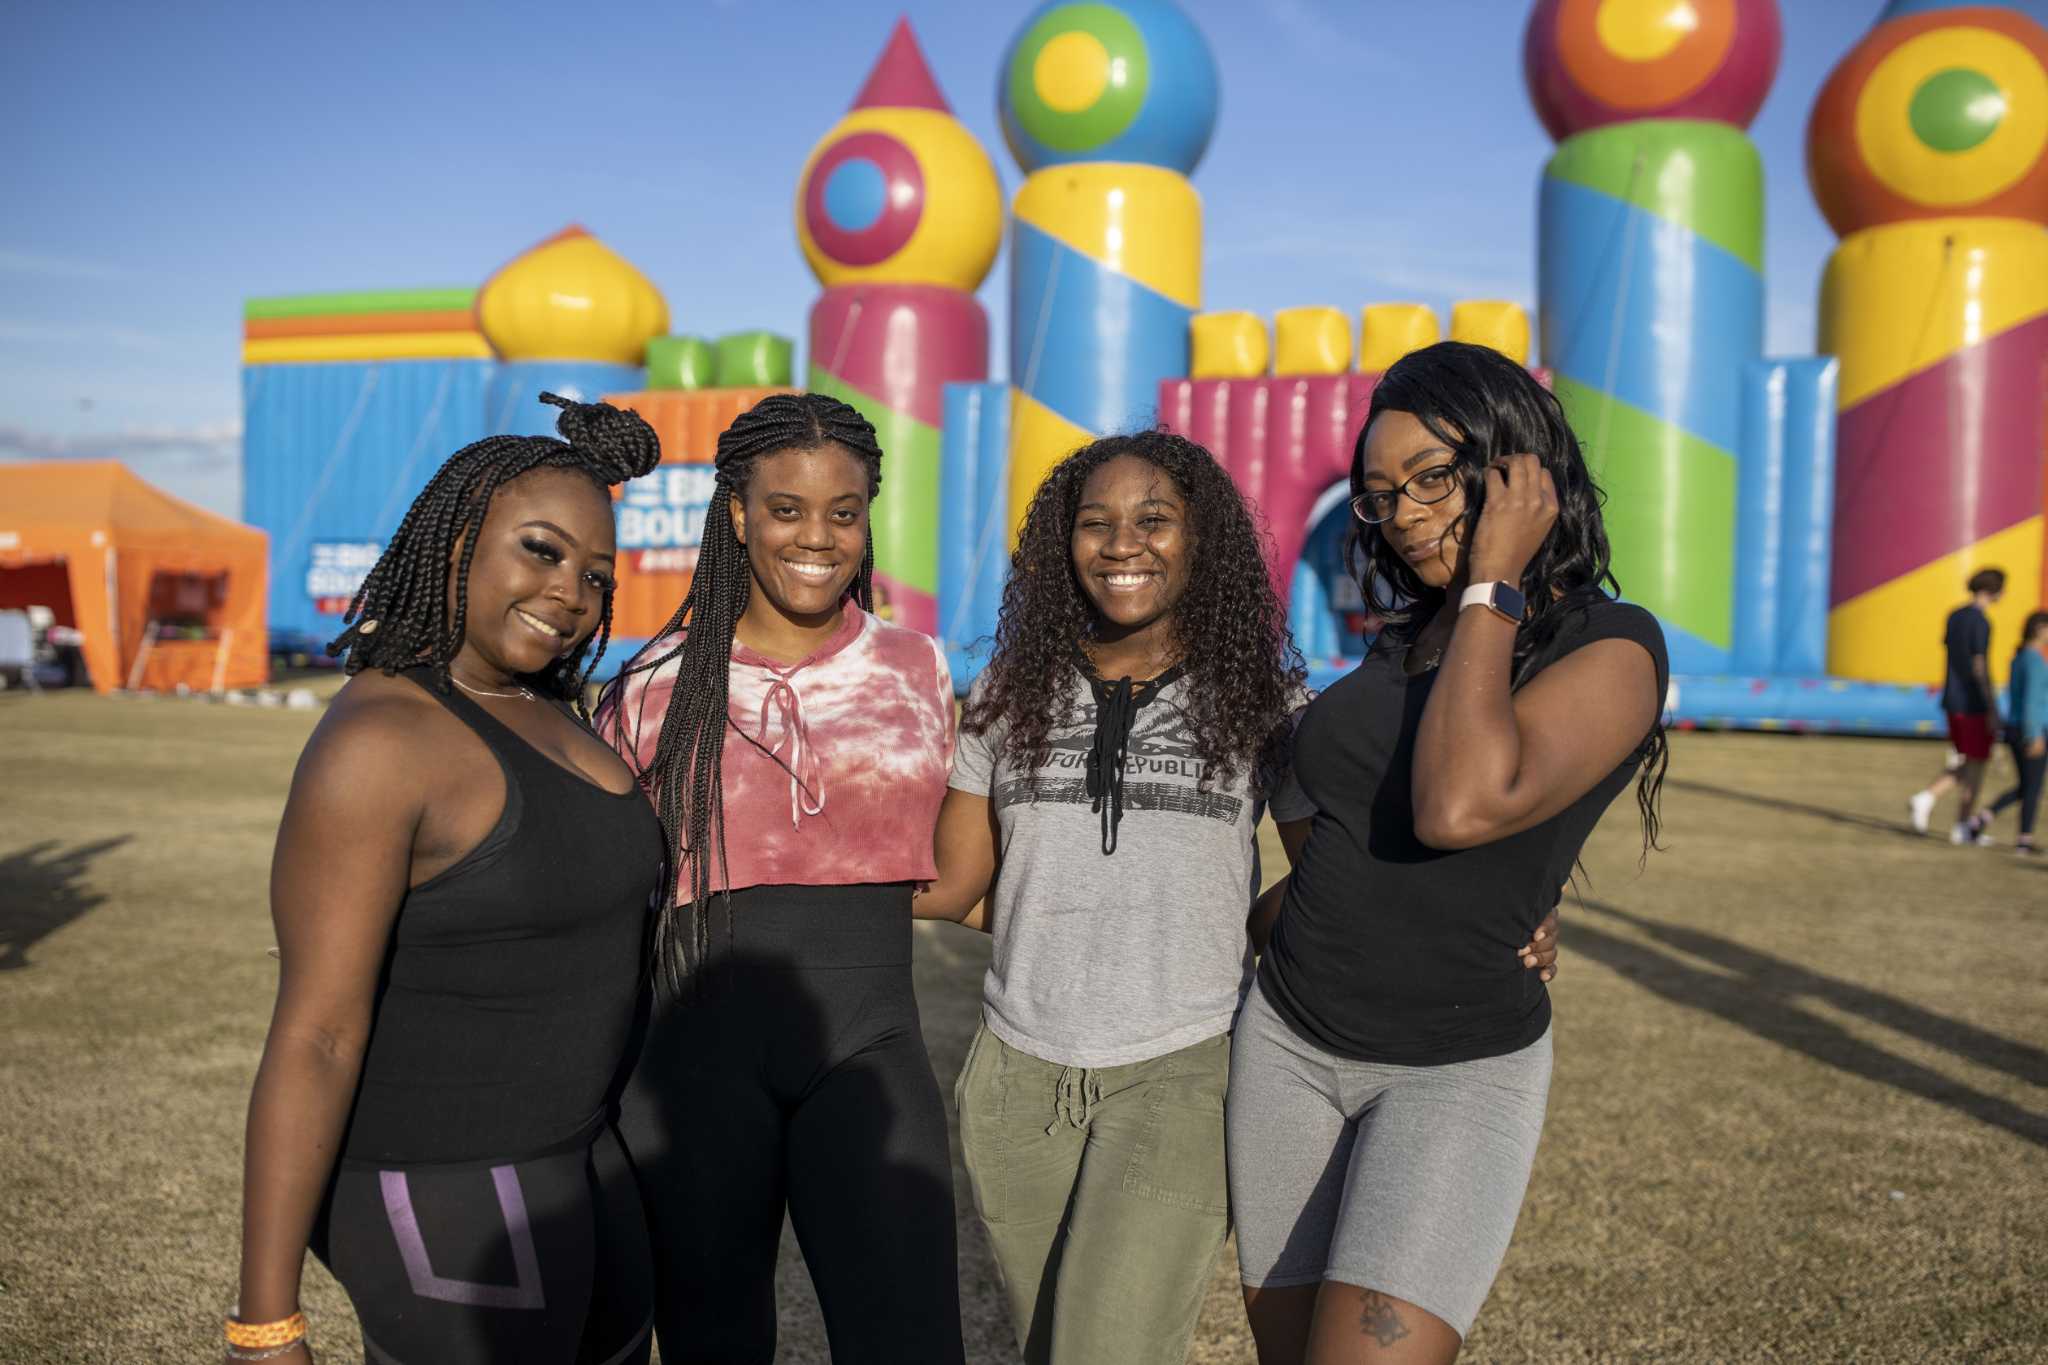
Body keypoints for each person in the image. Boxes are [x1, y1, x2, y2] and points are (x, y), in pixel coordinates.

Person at [914, 429, 1560, 1365]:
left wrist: (1492, 913)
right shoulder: (1010, 693)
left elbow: (1329, 875)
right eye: (1094, 523)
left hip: (1180, 1068)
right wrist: (767, 850)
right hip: (1015, 1074)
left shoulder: (1265, 695)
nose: (1121, 543)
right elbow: (962, 880)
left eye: (1153, 520)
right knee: (1050, 1338)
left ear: (1201, 539)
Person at [1228, 341, 1668, 1365]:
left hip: (1454, 1071)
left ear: (1516, 466)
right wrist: (1278, 917)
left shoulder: (1609, 645)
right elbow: (1341, 840)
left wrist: (1493, 581)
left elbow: (1461, 808)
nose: (1409, 514)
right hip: (1286, 1048)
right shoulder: (1400, 643)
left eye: (1434, 476)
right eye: (1382, 495)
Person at [228, 395, 665, 1365]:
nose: (570, 594)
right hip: (446, 1192)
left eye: (596, 576)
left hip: (586, 1170)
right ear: (458, 540)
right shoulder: (384, 739)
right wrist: (265, 1320)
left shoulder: (551, 708)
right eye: (541, 552)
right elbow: (317, 1035)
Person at [597, 393, 965, 1365]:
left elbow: (959, 866)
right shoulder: (651, 685)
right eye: (786, 507)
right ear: (735, 514)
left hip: (872, 1053)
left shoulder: (917, 669)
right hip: (692, 1074)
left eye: (842, 511)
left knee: (911, 1343)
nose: (816, 535)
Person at [1909, 568, 2006, 844]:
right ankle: (1952, 818)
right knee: (1976, 765)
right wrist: (1992, 707)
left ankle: (1935, 806)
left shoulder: (1954, 615)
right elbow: (1979, 665)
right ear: (1993, 590)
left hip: (1952, 700)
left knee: (1967, 761)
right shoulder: (1981, 622)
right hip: (1973, 703)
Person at [1974, 610, 2048, 856]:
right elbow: (2031, 702)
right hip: (2031, 729)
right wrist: (2034, 734)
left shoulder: (2018, 658)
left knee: (2026, 785)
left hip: (2014, 728)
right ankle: (2024, 840)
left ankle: (1982, 818)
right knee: (2033, 787)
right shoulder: (2035, 661)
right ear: (2039, 629)